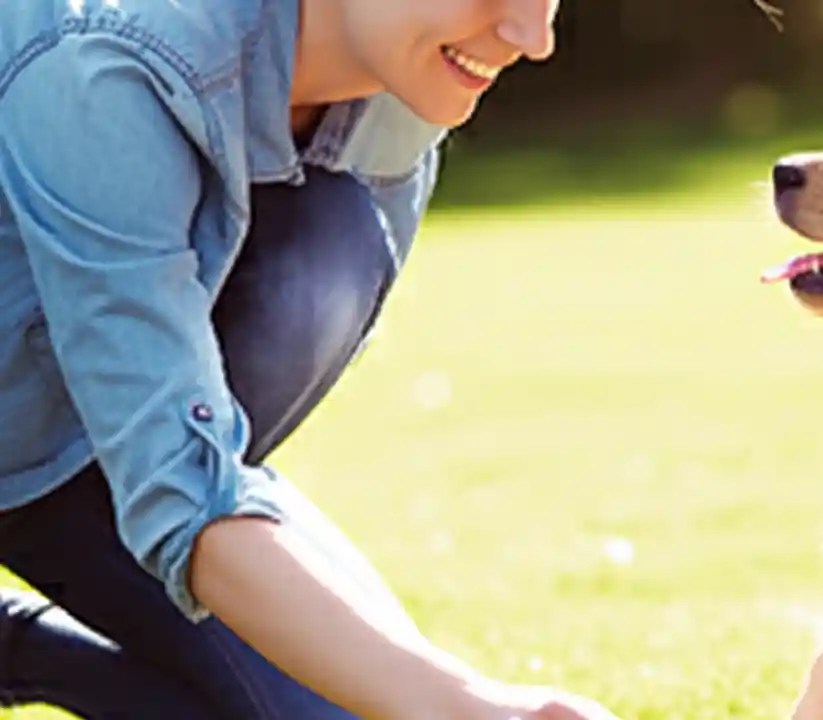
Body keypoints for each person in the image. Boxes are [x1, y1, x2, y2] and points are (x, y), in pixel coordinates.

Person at [0, 0, 622, 718]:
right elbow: (182, 488)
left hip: (109, 448)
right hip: (80, 449)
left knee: (359, 701)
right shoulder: (109, 60)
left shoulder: (404, 82)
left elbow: (190, 468)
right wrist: (469, 707)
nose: (532, 38)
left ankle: (26, 649)